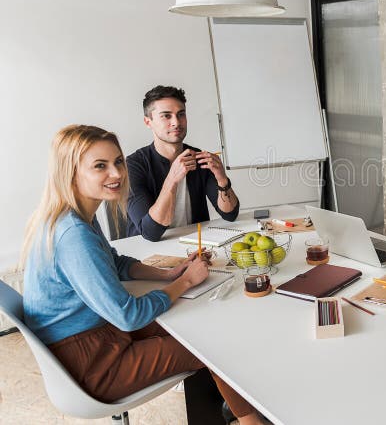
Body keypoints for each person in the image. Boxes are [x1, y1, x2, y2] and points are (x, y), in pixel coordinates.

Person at [20, 125, 267, 424]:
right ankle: (251, 420)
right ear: (70, 172)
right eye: (100, 166)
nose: (117, 174)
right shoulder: (73, 235)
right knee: (211, 346)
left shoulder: (73, 215)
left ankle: (235, 405)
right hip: (92, 364)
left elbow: (116, 262)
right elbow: (129, 316)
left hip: (97, 336)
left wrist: (169, 274)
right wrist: (185, 281)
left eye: (118, 162)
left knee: (201, 326)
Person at [127, 85, 239, 241]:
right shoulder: (133, 165)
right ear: (148, 122)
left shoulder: (198, 157)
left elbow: (230, 214)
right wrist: (172, 179)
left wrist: (222, 179)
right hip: (148, 254)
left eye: (181, 114)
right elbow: (150, 232)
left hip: (193, 246)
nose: (176, 122)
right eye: (166, 116)